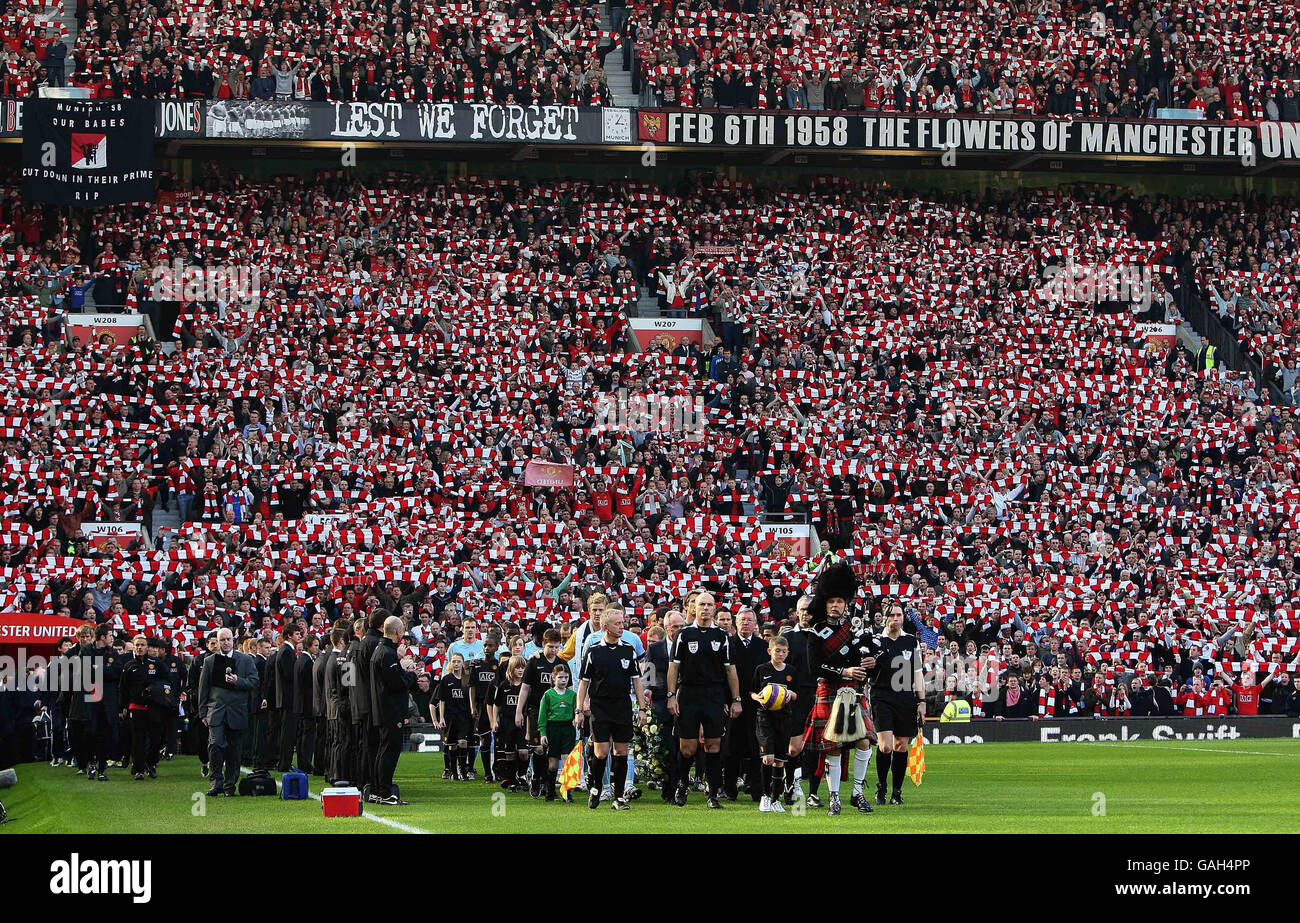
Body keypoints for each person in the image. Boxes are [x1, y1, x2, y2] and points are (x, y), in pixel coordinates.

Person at [804, 563, 879, 816]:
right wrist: (844, 672)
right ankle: (834, 796)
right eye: (831, 601)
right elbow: (814, 668)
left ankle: (857, 793)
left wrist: (870, 662)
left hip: (855, 691)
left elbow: (868, 662)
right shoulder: (815, 631)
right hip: (830, 690)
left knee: (864, 740)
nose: (836, 605)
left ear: (846, 604)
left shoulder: (854, 629)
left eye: (840, 601)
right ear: (824, 603)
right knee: (833, 745)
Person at [666, 591, 740, 808]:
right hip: (688, 694)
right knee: (687, 748)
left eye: (709, 605)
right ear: (693, 608)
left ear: (714, 608)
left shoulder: (722, 636)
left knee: (713, 745)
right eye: (701, 605)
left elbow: (731, 671)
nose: (706, 608)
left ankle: (713, 794)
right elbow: (673, 668)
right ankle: (682, 783)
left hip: (714, 695)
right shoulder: (684, 635)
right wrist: (671, 696)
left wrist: (736, 699)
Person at [576, 609, 648, 810]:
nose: (622, 626)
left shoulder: (628, 650)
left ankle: (619, 797)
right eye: (617, 623)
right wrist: (579, 709)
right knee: (601, 752)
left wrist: (642, 708)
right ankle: (596, 787)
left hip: (622, 705)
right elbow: (583, 683)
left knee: (621, 751)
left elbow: (637, 682)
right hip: (600, 707)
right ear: (606, 627)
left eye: (622, 623)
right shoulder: (594, 651)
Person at [871, 602, 925, 806]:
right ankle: (882, 786)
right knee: (885, 746)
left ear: (903, 617)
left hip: (904, 697)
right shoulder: (876, 640)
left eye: (899, 615)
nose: (895, 619)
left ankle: (897, 791)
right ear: (885, 618)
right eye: (891, 615)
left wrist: (921, 701)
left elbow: (918, 673)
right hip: (881, 695)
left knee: (901, 745)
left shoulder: (911, 641)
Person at [197, 627, 259, 796]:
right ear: (217, 642)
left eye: (228, 639)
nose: (225, 642)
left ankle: (229, 785)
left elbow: (254, 682)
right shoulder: (210, 661)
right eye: (222, 640)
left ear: (233, 640)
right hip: (216, 711)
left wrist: (238, 681)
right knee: (215, 745)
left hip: (237, 711)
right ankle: (216, 782)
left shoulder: (245, 660)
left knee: (234, 750)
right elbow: (203, 688)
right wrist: (203, 712)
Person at [369, 615, 418, 805]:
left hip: (382, 710)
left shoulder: (380, 651)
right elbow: (397, 683)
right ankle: (385, 791)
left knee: (383, 751)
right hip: (390, 711)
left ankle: (377, 790)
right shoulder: (387, 654)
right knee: (389, 752)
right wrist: (411, 675)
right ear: (398, 632)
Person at [724, 607, 768, 801]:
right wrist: (729, 701)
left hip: (757, 705)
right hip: (733, 704)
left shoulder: (763, 646)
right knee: (732, 749)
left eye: (749, 620)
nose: (745, 623)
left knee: (756, 747)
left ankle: (757, 790)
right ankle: (729, 789)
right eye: (742, 620)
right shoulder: (728, 644)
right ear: (736, 622)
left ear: (755, 623)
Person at [752, 634, 799, 813]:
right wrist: (760, 698)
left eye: (783, 651)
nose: (780, 654)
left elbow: (797, 695)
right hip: (765, 718)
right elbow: (752, 692)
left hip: (784, 719)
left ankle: (775, 799)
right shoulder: (762, 669)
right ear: (769, 651)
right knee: (768, 758)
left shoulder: (791, 672)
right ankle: (764, 796)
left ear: (787, 653)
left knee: (779, 761)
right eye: (777, 650)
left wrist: (789, 695)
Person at [516, 626, 562, 796]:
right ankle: (536, 777)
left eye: (557, 647)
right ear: (543, 644)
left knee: (550, 748)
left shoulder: (561, 664)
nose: (554, 650)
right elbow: (525, 688)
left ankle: (544, 781)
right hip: (535, 710)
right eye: (551, 646)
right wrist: (519, 711)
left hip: (555, 713)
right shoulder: (534, 661)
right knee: (539, 748)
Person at [782, 597, 817, 803]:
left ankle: (812, 792)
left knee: (816, 746)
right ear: (796, 612)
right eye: (803, 610)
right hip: (793, 698)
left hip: (818, 696)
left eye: (810, 610)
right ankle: (790, 784)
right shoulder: (787, 638)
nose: (806, 614)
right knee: (794, 748)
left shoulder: (822, 636)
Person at [118, 635, 164, 780]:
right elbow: (123, 688)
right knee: (138, 739)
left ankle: (151, 763)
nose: (139, 647)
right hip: (136, 706)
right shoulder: (129, 665)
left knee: (156, 739)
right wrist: (122, 707)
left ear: (147, 647)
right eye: (137, 645)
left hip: (154, 707)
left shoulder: (157, 664)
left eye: (142, 645)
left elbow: (167, 682)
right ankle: (138, 769)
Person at [537, 661, 577, 801]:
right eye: (560, 677)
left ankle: (567, 792)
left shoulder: (572, 695)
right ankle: (550, 791)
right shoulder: (548, 695)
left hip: (567, 729)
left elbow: (576, 712)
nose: (563, 680)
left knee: (567, 761)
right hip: (553, 729)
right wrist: (543, 733)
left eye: (566, 677)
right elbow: (542, 715)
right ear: (553, 678)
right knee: (553, 764)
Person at [488, 655, 527, 790]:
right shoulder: (504, 685)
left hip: (522, 722)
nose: (520, 670)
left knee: (523, 752)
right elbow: (496, 704)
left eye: (523, 667)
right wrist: (495, 721)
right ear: (511, 669)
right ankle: (511, 780)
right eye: (517, 667)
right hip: (507, 722)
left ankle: (522, 775)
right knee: (509, 752)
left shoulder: (526, 686)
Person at [435, 652, 473, 780]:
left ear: (463, 663)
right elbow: (442, 700)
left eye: (458, 661)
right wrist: (441, 717)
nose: (456, 664)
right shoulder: (446, 679)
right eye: (454, 661)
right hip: (450, 716)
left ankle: (462, 770)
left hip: (464, 716)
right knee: (452, 745)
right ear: (451, 663)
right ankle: (453, 772)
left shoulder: (467, 679)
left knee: (463, 742)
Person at [468, 635, 501, 782]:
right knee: (485, 740)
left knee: (499, 741)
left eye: (490, 645)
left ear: (497, 647)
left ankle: (498, 771)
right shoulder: (476, 665)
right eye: (485, 645)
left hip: (496, 706)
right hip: (481, 706)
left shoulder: (499, 666)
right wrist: (472, 706)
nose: (487, 648)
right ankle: (487, 772)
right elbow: (472, 687)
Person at [272, 621, 303, 772]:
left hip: (288, 698)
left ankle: (285, 762)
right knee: (287, 733)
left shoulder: (286, 650)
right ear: (289, 635)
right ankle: (284, 763)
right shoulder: (286, 651)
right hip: (288, 699)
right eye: (297, 634)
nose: (299, 636)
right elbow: (290, 675)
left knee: (288, 732)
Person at [293, 633, 318, 773]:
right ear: (309, 646)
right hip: (307, 704)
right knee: (307, 735)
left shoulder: (301, 659)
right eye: (315, 645)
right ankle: (306, 764)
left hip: (301, 703)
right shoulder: (307, 662)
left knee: (303, 734)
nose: (317, 648)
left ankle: (303, 762)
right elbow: (309, 684)